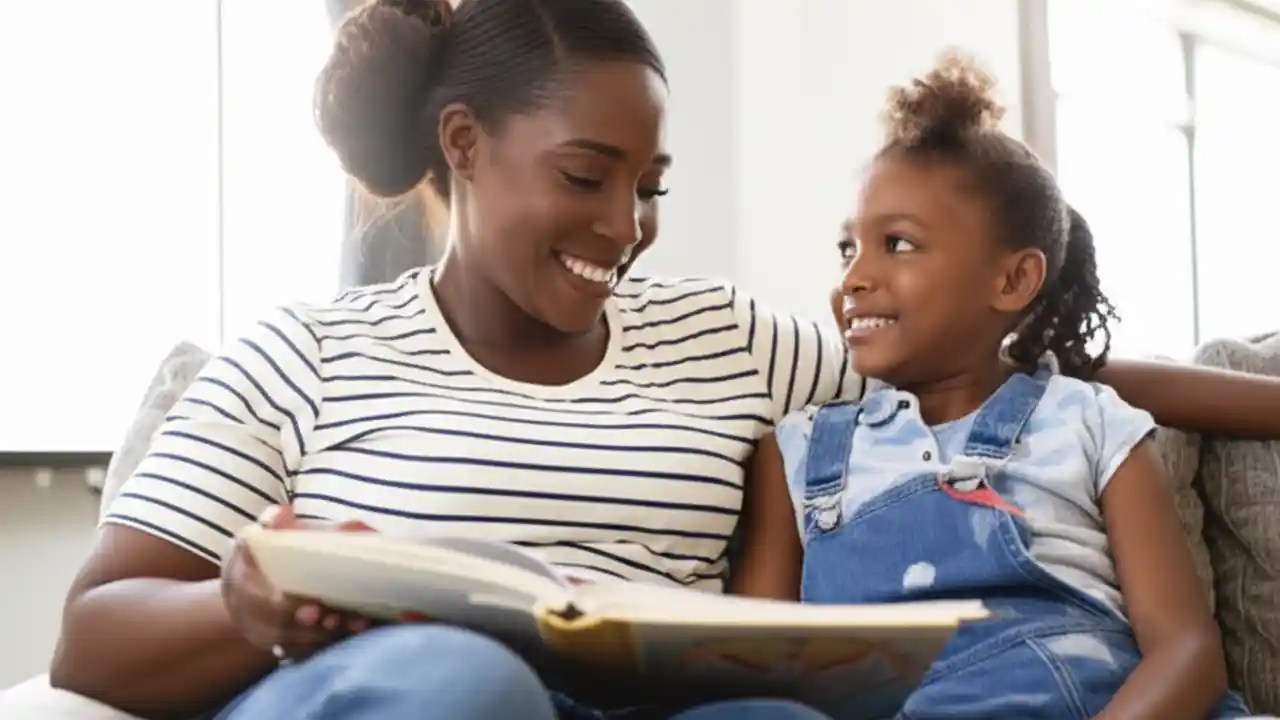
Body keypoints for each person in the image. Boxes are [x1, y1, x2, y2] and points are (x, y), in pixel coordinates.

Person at [46, 1, 1279, 718]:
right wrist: (244, 605)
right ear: (463, 145)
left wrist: (1234, 386)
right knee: (465, 685)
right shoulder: (304, 352)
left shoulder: (729, 339)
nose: (627, 227)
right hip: (410, 694)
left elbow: (991, 374)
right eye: (587, 177)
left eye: (651, 188)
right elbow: (91, 636)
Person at [730, 54, 1251, 719]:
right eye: (846, 249)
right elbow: (750, 670)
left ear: (1012, 281)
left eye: (898, 243)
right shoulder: (797, 454)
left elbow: (1186, 653)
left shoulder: (1089, 421)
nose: (854, 277)